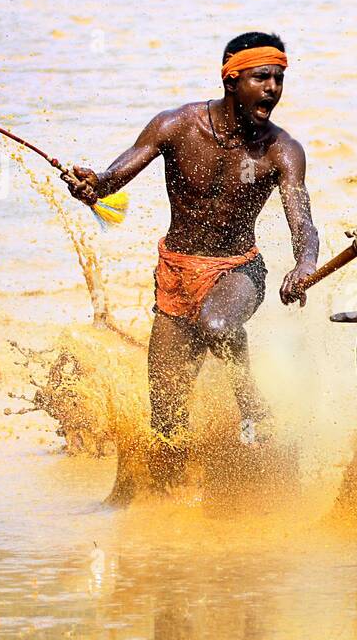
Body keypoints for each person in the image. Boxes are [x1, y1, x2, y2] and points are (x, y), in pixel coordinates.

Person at [63, 31, 319, 486]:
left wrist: (303, 264)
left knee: (217, 324)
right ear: (231, 79)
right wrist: (90, 186)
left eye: (279, 79)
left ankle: (251, 403)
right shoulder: (175, 125)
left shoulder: (282, 151)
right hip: (176, 275)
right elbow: (112, 179)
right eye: (262, 78)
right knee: (165, 417)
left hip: (239, 271)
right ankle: (172, 506)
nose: (273, 90)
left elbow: (303, 223)